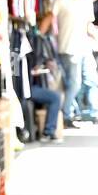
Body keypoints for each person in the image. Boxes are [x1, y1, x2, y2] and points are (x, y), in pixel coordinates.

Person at [54, 0, 98, 125]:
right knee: (74, 84)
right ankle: (66, 115)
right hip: (68, 48)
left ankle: (95, 113)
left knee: (92, 80)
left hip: (84, 47)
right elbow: (51, 17)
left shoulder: (87, 1)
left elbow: (88, 25)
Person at [28, 12, 64, 142]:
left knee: (56, 95)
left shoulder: (41, 40)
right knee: (55, 97)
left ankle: (48, 131)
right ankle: (48, 132)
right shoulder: (35, 39)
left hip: (32, 84)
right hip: (28, 87)